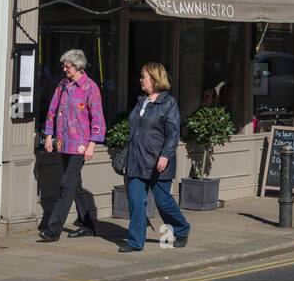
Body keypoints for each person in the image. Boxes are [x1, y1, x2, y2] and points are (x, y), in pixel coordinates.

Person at [120, 62, 191, 252]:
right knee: (136, 200)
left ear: (154, 78)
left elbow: (173, 133)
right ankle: (135, 241)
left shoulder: (168, 103)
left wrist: (165, 156)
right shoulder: (141, 100)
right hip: (137, 159)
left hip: (158, 161)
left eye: (144, 77)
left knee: (163, 201)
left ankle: (181, 229)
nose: (141, 80)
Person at [39, 50, 106, 242]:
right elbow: (52, 111)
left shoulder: (90, 88)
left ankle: (53, 230)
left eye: (67, 66)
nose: (64, 69)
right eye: (64, 66)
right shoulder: (62, 85)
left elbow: (97, 118)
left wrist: (92, 144)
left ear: (78, 67)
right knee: (75, 185)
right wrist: (49, 135)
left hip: (80, 145)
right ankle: (88, 225)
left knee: (66, 184)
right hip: (63, 142)